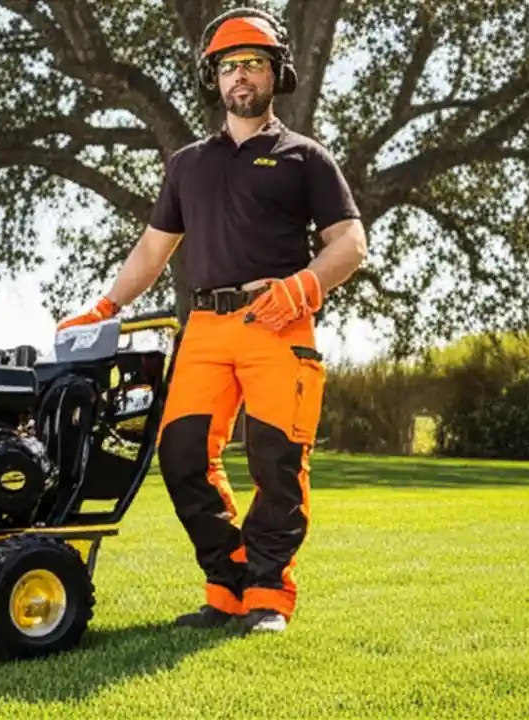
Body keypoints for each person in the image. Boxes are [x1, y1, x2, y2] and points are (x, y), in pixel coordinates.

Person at [56, 7, 367, 633]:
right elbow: (153, 249)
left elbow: (350, 244)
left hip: (278, 325)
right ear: (213, 79)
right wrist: (106, 307)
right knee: (180, 457)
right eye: (228, 67)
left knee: (278, 464)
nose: (240, 76)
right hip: (204, 328)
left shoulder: (306, 158)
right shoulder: (188, 164)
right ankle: (228, 585)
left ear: (276, 73)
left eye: (253, 63)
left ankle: (269, 596)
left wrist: (304, 284)